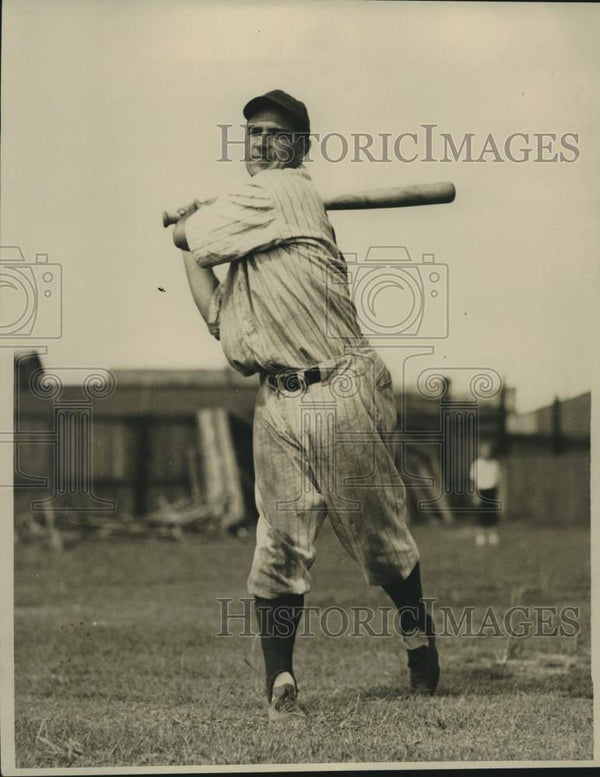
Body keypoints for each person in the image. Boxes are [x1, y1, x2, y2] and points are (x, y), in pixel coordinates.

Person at [171, 89, 439, 722]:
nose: (262, 144)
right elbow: (218, 315)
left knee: (378, 539)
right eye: (253, 134)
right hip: (277, 398)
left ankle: (418, 636)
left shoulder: (285, 191)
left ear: (299, 148)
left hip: (340, 387)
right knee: (278, 546)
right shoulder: (251, 240)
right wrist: (187, 244)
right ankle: (280, 679)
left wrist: (187, 224)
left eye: (276, 134)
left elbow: (194, 233)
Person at [469, 440, 502, 546]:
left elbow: (497, 480)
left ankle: (492, 535)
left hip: (491, 491)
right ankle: (480, 536)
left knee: (491, 513)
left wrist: (498, 494)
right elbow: (473, 481)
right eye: (483, 450)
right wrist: (475, 494)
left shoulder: (494, 464)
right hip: (481, 491)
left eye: (487, 450)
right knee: (480, 514)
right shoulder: (477, 464)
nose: (486, 452)